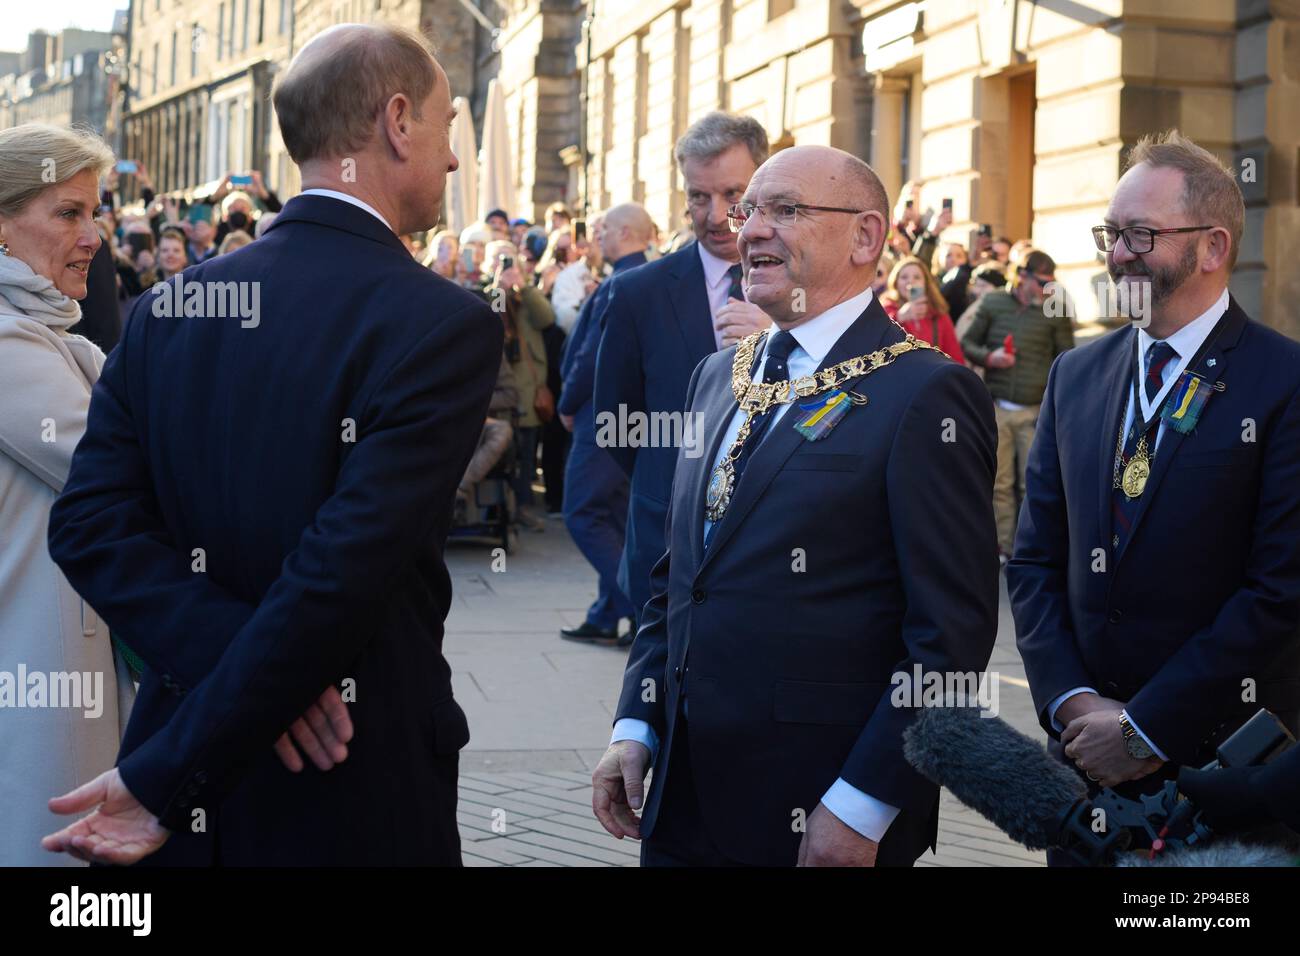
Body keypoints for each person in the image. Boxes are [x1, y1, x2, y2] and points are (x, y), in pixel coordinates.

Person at [42, 23, 502, 866]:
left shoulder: (169, 307)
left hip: (190, 757)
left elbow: (89, 526)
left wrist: (214, 684)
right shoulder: (443, 325)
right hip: (350, 782)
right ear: (397, 121)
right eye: (443, 127)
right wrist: (182, 763)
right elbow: (339, 571)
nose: (453, 159)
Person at [591, 145, 999, 867]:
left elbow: (950, 639)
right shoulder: (718, 376)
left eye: (786, 210)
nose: (749, 228)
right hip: (680, 800)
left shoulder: (925, 393)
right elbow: (679, 580)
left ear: (866, 237)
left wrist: (861, 805)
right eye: (750, 209)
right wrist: (637, 725)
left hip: (823, 816)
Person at [1007, 130, 1300, 864]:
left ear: (1212, 247)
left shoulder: (1283, 381)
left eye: (1142, 234)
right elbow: (1035, 562)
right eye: (1111, 233)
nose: (1118, 253)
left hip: (1223, 787)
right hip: (1081, 779)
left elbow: (1280, 591)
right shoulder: (1076, 375)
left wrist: (1143, 729)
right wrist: (1072, 705)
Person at [0, 123, 135, 866]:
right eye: (68, 213)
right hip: (32, 678)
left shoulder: (62, 339)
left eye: (96, 211)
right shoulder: (7, 342)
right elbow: (117, 467)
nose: (95, 234)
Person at [594, 112, 771, 623]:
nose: (715, 215)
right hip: (665, 551)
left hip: (776, 553)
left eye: (733, 196)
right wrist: (670, 477)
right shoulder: (636, 294)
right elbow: (616, 423)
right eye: (699, 196)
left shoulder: (812, 292)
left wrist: (778, 340)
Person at [557, 202, 654, 644]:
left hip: (600, 415)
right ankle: (606, 615)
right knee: (614, 515)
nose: (597, 235)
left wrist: (567, 401)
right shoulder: (643, 278)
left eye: (604, 228)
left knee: (581, 511)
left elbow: (590, 355)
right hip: (629, 416)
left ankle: (638, 605)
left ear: (628, 232)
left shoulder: (623, 282)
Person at [961, 248, 1074, 560]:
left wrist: (1054, 405)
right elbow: (967, 342)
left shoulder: (1055, 308)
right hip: (996, 407)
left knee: (1032, 484)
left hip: (1034, 411)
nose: (1046, 289)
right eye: (1041, 282)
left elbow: (1067, 360)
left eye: (1051, 283)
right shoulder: (994, 301)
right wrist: (989, 357)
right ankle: (1003, 549)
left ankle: (1032, 551)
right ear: (1022, 276)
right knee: (999, 484)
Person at [484, 239, 556, 531]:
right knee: (502, 454)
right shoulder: (487, 295)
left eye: (510, 259)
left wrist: (524, 286)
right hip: (501, 388)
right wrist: (499, 287)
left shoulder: (525, 297)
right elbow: (490, 321)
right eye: (499, 259)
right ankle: (500, 507)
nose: (506, 265)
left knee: (526, 452)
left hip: (528, 388)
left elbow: (547, 318)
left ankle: (523, 506)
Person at [879, 255, 965, 363]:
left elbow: (954, 353)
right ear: (895, 282)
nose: (910, 281)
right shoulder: (886, 307)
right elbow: (877, 338)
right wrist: (899, 317)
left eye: (917, 277)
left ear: (926, 283)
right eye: (904, 277)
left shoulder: (938, 313)